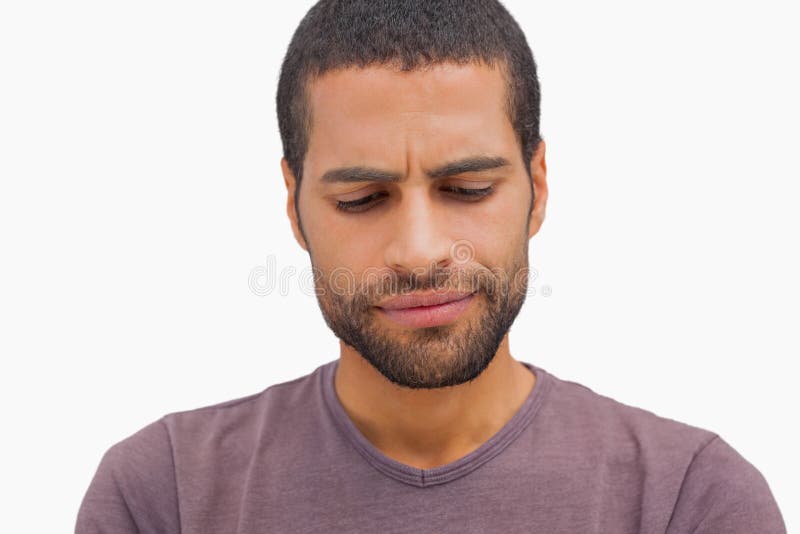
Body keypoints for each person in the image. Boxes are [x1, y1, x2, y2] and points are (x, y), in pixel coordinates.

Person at [75, 1, 786, 532]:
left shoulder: (689, 502)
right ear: (293, 206)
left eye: (468, 189)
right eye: (362, 199)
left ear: (539, 185)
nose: (419, 250)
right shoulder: (161, 495)